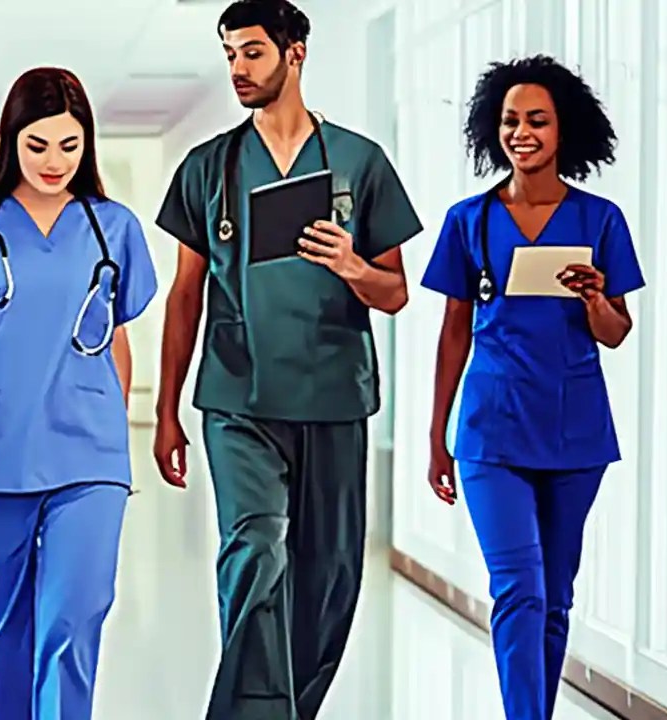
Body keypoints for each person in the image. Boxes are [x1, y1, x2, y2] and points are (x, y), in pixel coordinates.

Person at [153, 2, 424, 718]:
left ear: (295, 54)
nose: (237, 69)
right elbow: (186, 296)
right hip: (239, 399)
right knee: (256, 550)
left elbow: (394, 292)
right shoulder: (207, 166)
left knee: (329, 579)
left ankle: (288, 710)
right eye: (230, 55)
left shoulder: (359, 162)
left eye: (251, 53)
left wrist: (352, 266)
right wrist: (165, 410)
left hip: (334, 396)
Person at [0, 66, 158, 719]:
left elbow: (117, 340)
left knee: (73, 625)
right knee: (4, 637)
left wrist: (113, 439)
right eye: (38, 145)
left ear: (88, 145)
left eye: (70, 146)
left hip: (90, 463)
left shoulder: (114, 227)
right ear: (11, 141)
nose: (55, 162)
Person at [421, 55, 643, 720]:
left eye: (537, 121)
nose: (522, 132)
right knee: (517, 587)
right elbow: (454, 332)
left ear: (562, 131)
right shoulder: (470, 221)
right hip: (491, 431)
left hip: (575, 433)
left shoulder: (599, 221)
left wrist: (599, 296)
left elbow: (615, 332)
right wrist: (438, 436)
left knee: (555, 597)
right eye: (511, 120)